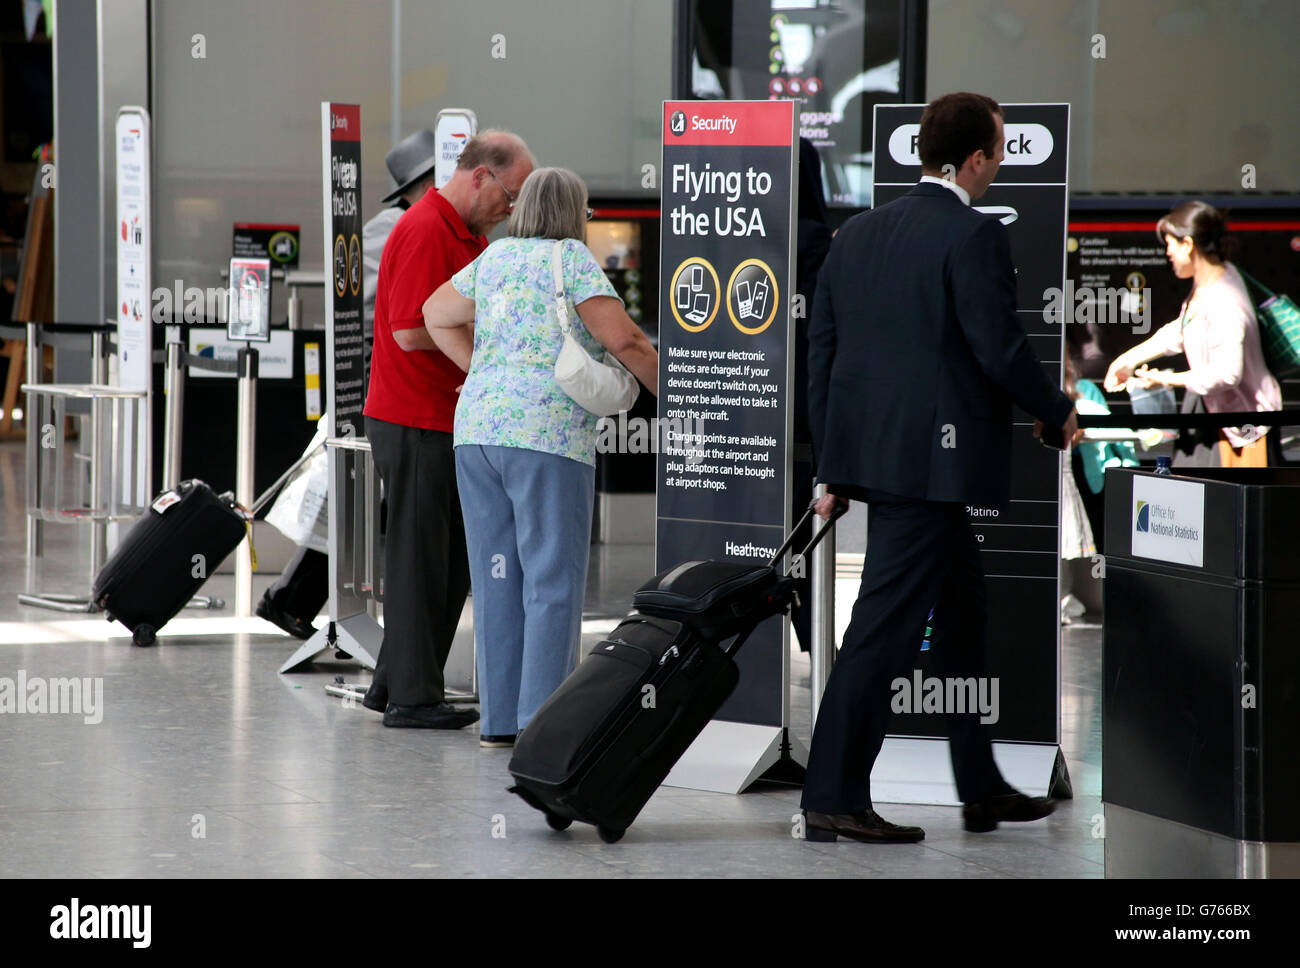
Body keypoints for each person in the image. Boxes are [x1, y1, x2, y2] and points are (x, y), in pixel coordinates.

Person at [800, 92, 1077, 844]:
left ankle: (979, 787)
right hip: (928, 472)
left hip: (886, 462)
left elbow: (821, 355)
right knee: (881, 634)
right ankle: (831, 794)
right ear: (978, 158)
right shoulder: (972, 234)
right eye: (998, 153)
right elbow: (998, 349)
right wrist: (1055, 408)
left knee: (961, 618)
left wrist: (832, 463)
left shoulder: (856, 236)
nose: (998, 168)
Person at [423, 167, 658, 748]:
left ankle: (500, 720)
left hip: (477, 433)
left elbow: (435, 313)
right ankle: (542, 723)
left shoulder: (496, 256)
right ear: (574, 212)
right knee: (551, 577)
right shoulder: (570, 258)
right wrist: (682, 394)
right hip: (545, 436)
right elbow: (626, 340)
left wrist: (482, 371)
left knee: (496, 576)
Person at [361, 130, 535, 729]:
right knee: (418, 562)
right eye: (510, 196)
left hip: (443, 418)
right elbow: (412, 329)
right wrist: (483, 362)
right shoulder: (427, 229)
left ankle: (394, 683)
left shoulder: (468, 236)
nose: (512, 211)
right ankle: (413, 699)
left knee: (448, 561)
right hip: (415, 418)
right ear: (480, 176)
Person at [258, 131, 444, 641]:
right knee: (362, 491)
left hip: (368, 374)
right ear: (424, 182)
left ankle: (293, 598)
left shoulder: (391, 225)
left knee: (359, 491)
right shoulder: (402, 227)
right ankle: (292, 597)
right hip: (379, 378)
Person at [1103, 201, 1281, 468]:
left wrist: (1167, 379)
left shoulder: (1224, 298)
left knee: (1223, 506)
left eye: (1170, 244)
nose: (1168, 253)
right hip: (1217, 420)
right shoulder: (1212, 282)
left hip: (1241, 431)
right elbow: (1182, 329)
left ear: (1187, 244)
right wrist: (1127, 360)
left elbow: (1226, 373)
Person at [790, 138, 835, 653]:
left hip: (743, 394)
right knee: (801, 520)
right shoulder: (817, 239)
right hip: (804, 403)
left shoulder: (742, 233)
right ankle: (811, 634)